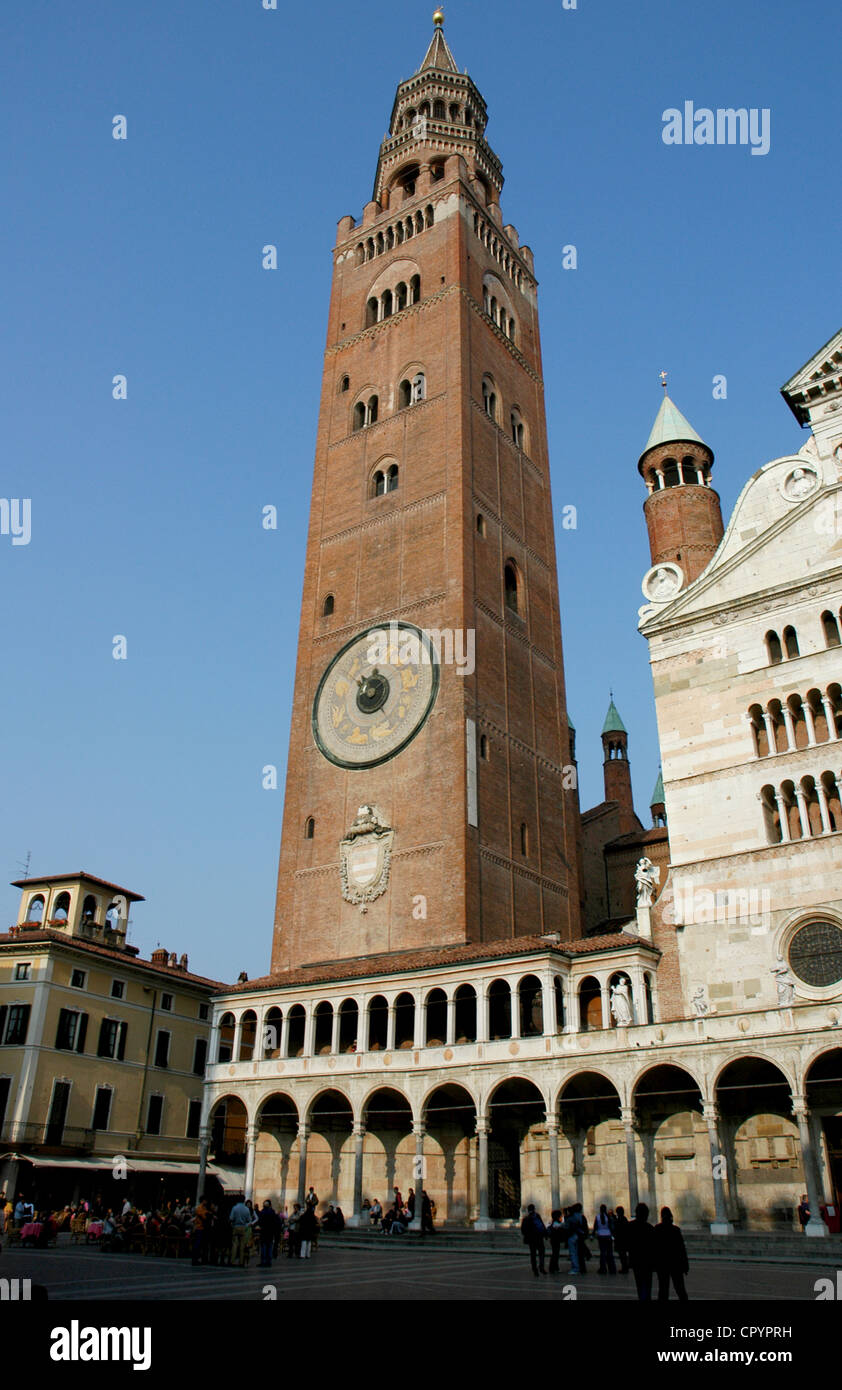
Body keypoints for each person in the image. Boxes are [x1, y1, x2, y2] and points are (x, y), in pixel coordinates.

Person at [654, 1207, 689, 1301]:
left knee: (663, 1289)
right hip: (675, 1263)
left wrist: (655, 1264)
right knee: (680, 1289)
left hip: (663, 1264)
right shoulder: (676, 1230)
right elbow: (682, 1249)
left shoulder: (657, 1229)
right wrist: (685, 1265)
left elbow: (655, 1248)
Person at [626, 1202, 657, 1301]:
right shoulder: (650, 1228)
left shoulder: (630, 1226)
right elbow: (654, 1247)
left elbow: (627, 1243)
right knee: (647, 1285)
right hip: (647, 1262)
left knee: (640, 1284)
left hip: (636, 1261)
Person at [520, 1203, 547, 1277]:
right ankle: (541, 1267)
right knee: (541, 1253)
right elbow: (542, 1225)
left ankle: (535, 1270)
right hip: (539, 1238)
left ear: (528, 1210)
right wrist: (545, 1234)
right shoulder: (537, 1216)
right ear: (534, 1209)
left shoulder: (526, 1218)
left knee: (533, 1254)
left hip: (531, 1240)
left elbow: (523, 1230)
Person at [593, 1204, 616, 1275]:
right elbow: (612, 1227)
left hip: (601, 1235)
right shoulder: (608, 1217)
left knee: (603, 1253)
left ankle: (603, 1268)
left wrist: (593, 1234)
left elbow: (595, 1227)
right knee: (610, 1253)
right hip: (608, 1235)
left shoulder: (597, 1217)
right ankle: (612, 1269)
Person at [257, 1199, 280, 1268]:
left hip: (264, 1232)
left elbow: (260, 1222)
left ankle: (263, 1261)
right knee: (269, 1247)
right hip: (270, 1232)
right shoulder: (272, 1212)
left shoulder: (262, 1212)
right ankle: (268, 1261)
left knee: (264, 1247)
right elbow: (276, 1223)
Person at [547, 1210, 566, 1275]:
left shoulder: (553, 1223)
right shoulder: (556, 1224)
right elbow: (562, 1226)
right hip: (555, 1240)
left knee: (555, 1254)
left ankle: (553, 1267)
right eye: (560, 1216)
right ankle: (554, 1268)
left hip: (553, 1240)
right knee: (555, 1254)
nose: (561, 1217)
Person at [613, 1205, 630, 1273]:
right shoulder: (624, 1219)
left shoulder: (619, 1220)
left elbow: (616, 1229)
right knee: (623, 1255)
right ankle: (625, 1267)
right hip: (624, 1240)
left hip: (620, 1240)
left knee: (622, 1255)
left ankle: (624, 1268)